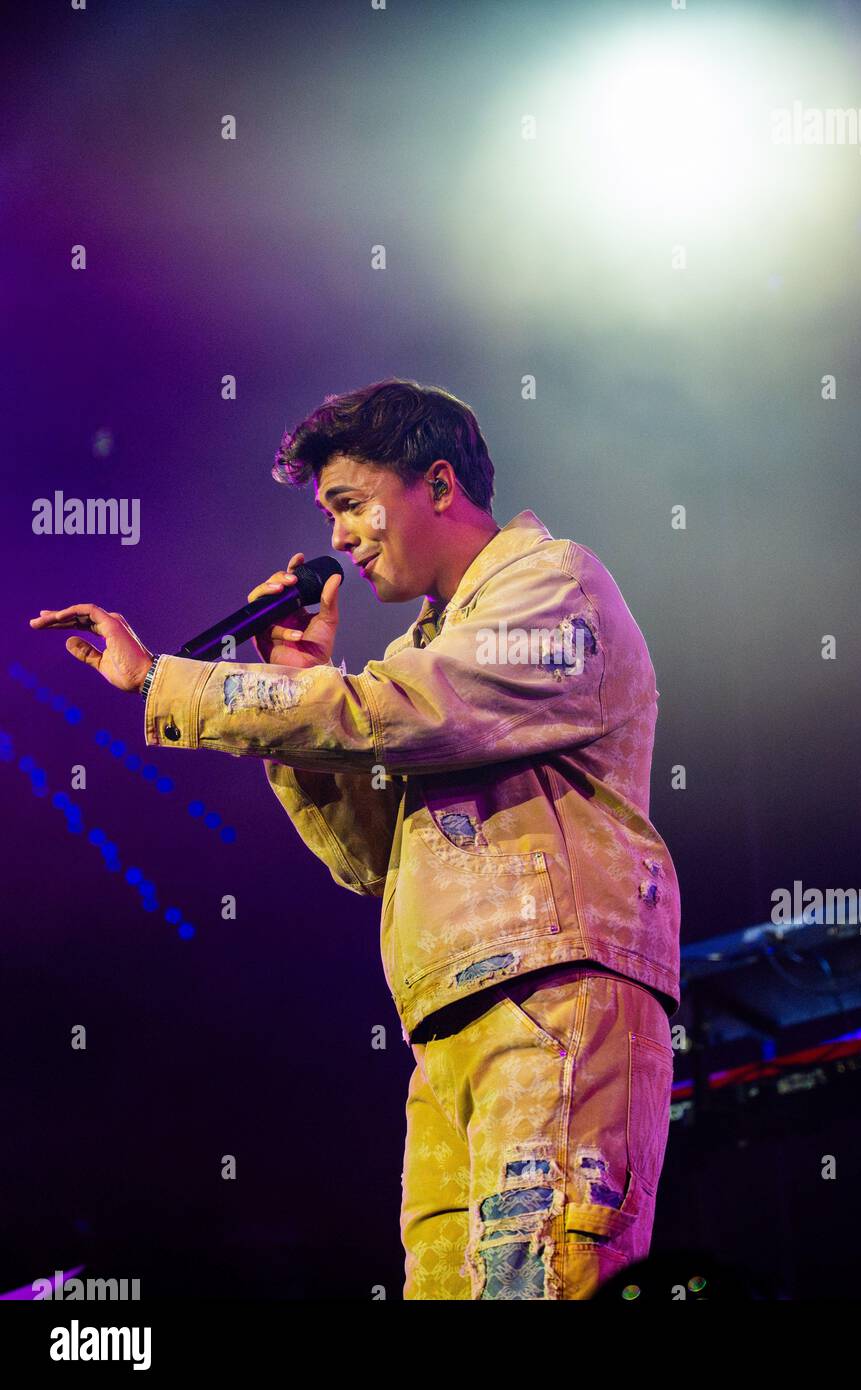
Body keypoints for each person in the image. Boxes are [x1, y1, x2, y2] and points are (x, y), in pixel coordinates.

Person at [29, 378, 681, 1300]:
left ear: (439, 484)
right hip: (453, 1017)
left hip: (552, 994)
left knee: (538, 1280)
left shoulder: (549, 583)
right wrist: (301, 675)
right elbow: (370, 856)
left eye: (348, 503)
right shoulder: (435, 643)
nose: (337, 537)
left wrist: (164, 684)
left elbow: (400, 712)